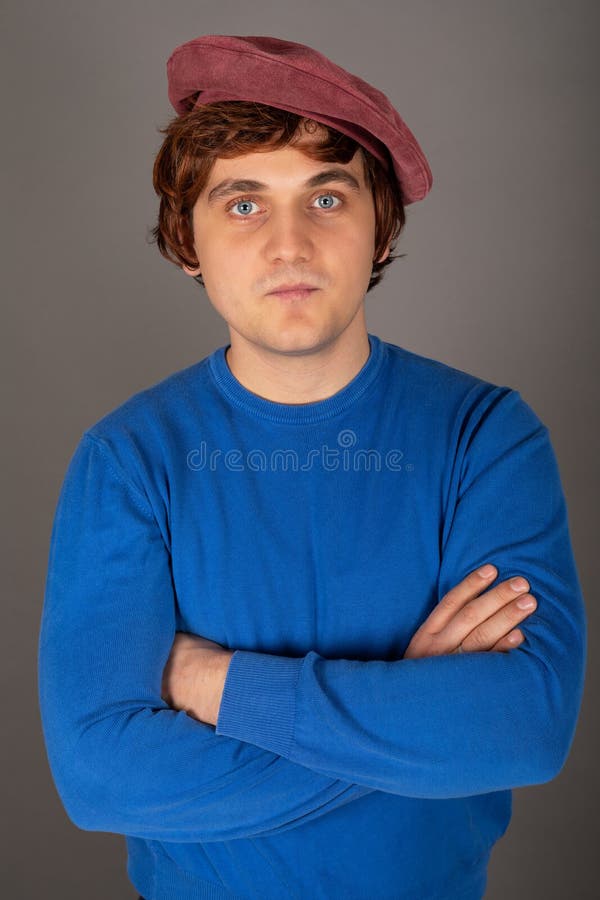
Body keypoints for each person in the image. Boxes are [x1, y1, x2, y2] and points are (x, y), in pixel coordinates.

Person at [37, 34, 587, 900]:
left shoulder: (486, 435)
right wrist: (412, 711)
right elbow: (101, 778)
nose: (289, 245)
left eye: (327, 198)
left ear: (380, 229)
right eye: (244, 205)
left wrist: (211, 683)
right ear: (188, 241)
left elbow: (526, 727)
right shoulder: (130, 460)